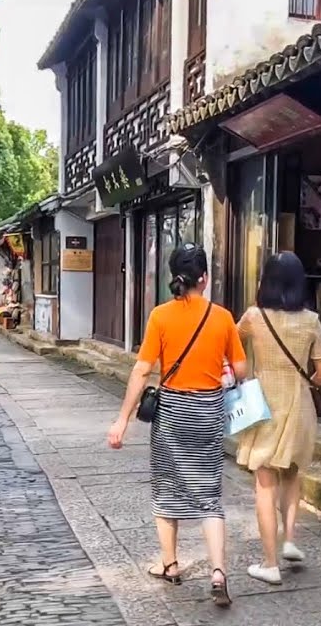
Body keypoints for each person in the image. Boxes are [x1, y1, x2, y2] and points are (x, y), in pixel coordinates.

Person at [106, 244, 247, 608]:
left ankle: (170, 564)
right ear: (205, 278)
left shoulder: (160, 316)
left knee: (167, 488)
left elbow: (142, 369)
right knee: (209, 495)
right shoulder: (223, 317)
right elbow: (241, 370)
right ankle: (218, 572)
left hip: (172, 413)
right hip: (208, 412)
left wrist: (122, 419)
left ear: (176, 277)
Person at [235, 252, 321, 586]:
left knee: (265, 484)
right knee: (292, 475)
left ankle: (270, 563)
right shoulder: (311, 320)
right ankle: (290, 539)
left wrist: (242, 371)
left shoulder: (254, 316)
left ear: (267, 282)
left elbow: (230, 345)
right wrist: (304, 379)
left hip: (263, 405)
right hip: (300, 404)